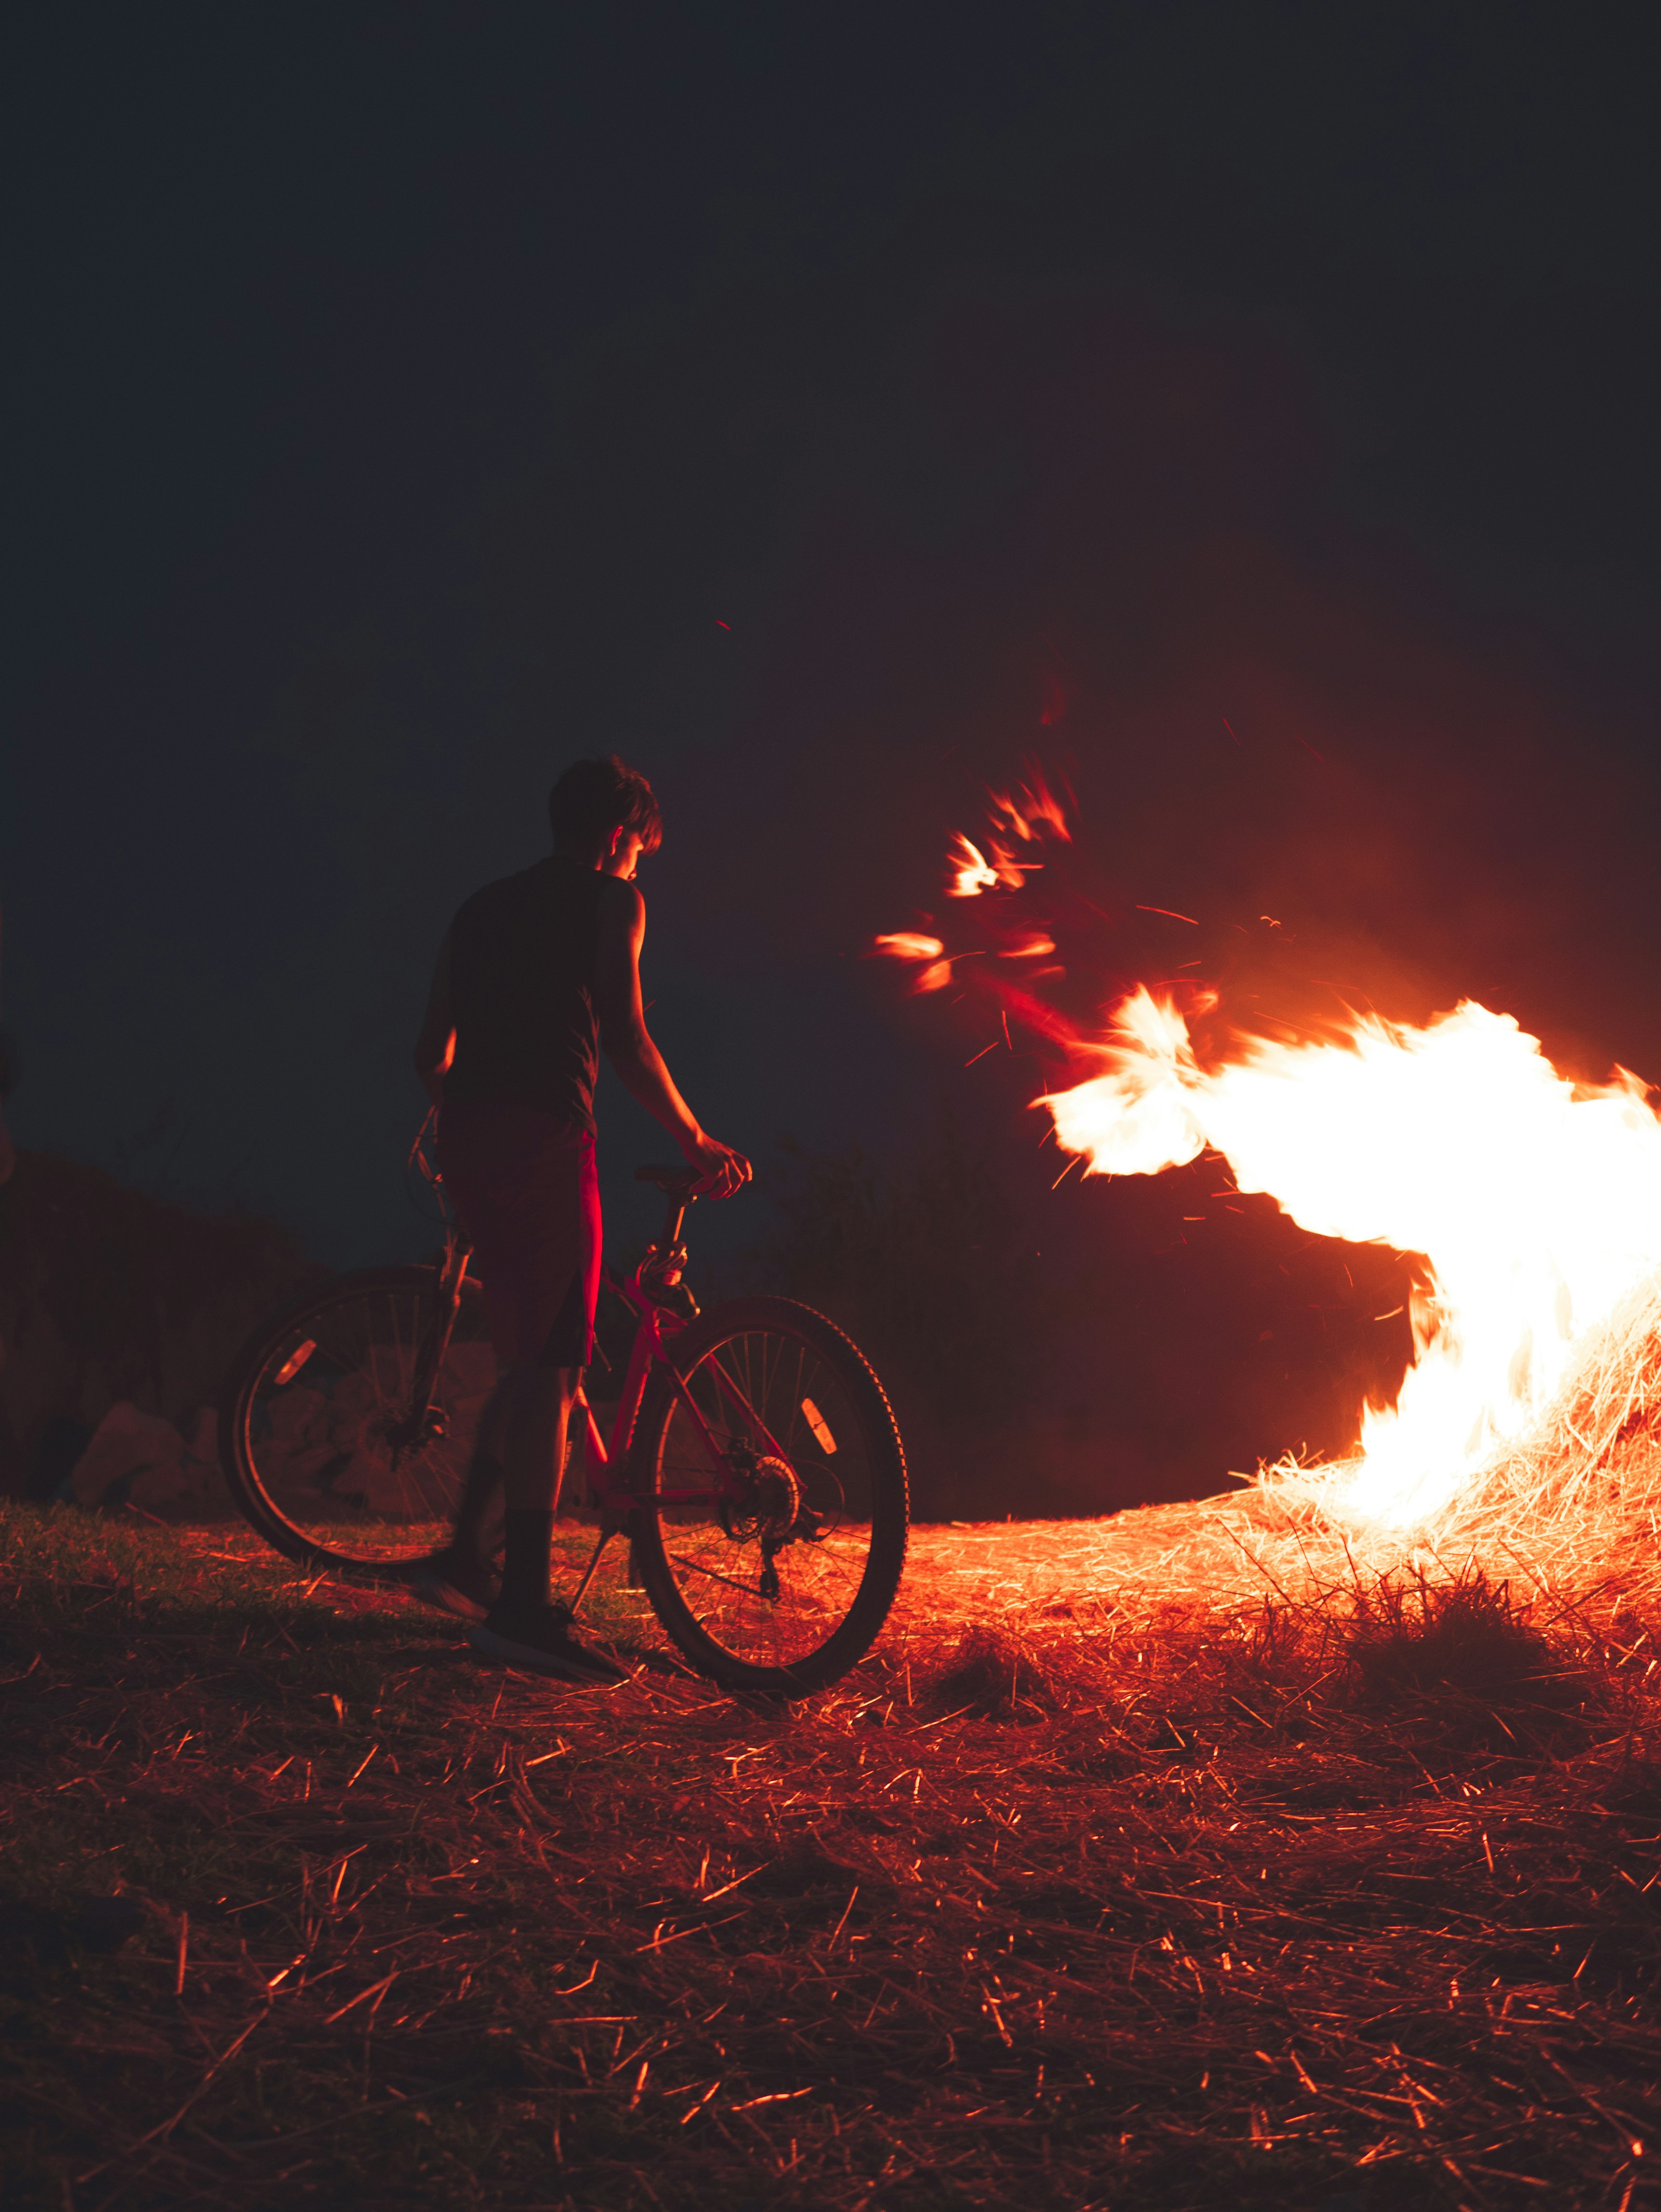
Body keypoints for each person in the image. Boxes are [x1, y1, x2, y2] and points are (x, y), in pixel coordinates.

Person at [410, 757, 750, 1685]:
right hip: (549, 1139)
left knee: (527, 1359)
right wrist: (694, 1136)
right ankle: (523, 1611)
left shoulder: (476, 910)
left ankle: (466, 1564)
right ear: (616, 838)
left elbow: (429, 1048)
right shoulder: (611, 901)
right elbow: (627, 1032)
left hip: (467, 1138)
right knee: (558, 1371)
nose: (640, 870)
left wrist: (471, 1108)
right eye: (640, 852)